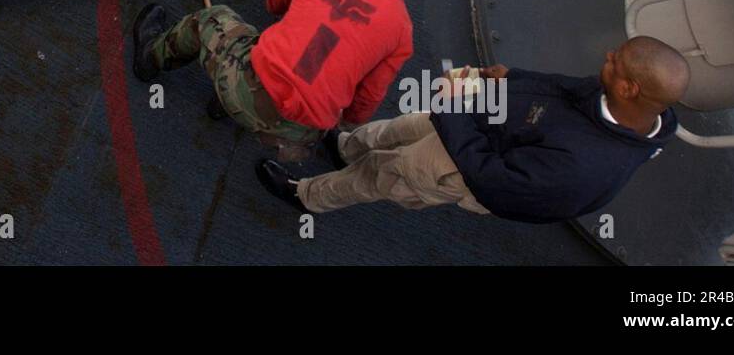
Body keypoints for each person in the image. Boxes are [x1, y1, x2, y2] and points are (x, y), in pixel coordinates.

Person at [256, 35, 691, 221]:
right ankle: (348, 146)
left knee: (383, 174)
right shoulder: (613, 95)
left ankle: (309, 198)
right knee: (395, 129)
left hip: (464, 165)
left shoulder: (583, 169)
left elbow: (492, 180)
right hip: (482, 118)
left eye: (616, 62)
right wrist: (511, 78)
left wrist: (452, 109)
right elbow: (560, 89)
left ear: (631, 88)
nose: (608, 56)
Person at [132, 0, 422, 160]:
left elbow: (274, 3)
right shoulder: (401, 30)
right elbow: (367, 99)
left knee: (212, 18)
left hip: (249, 83)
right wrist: (347, 120)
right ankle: (225, 105)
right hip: (300, 133)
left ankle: (151, 57)